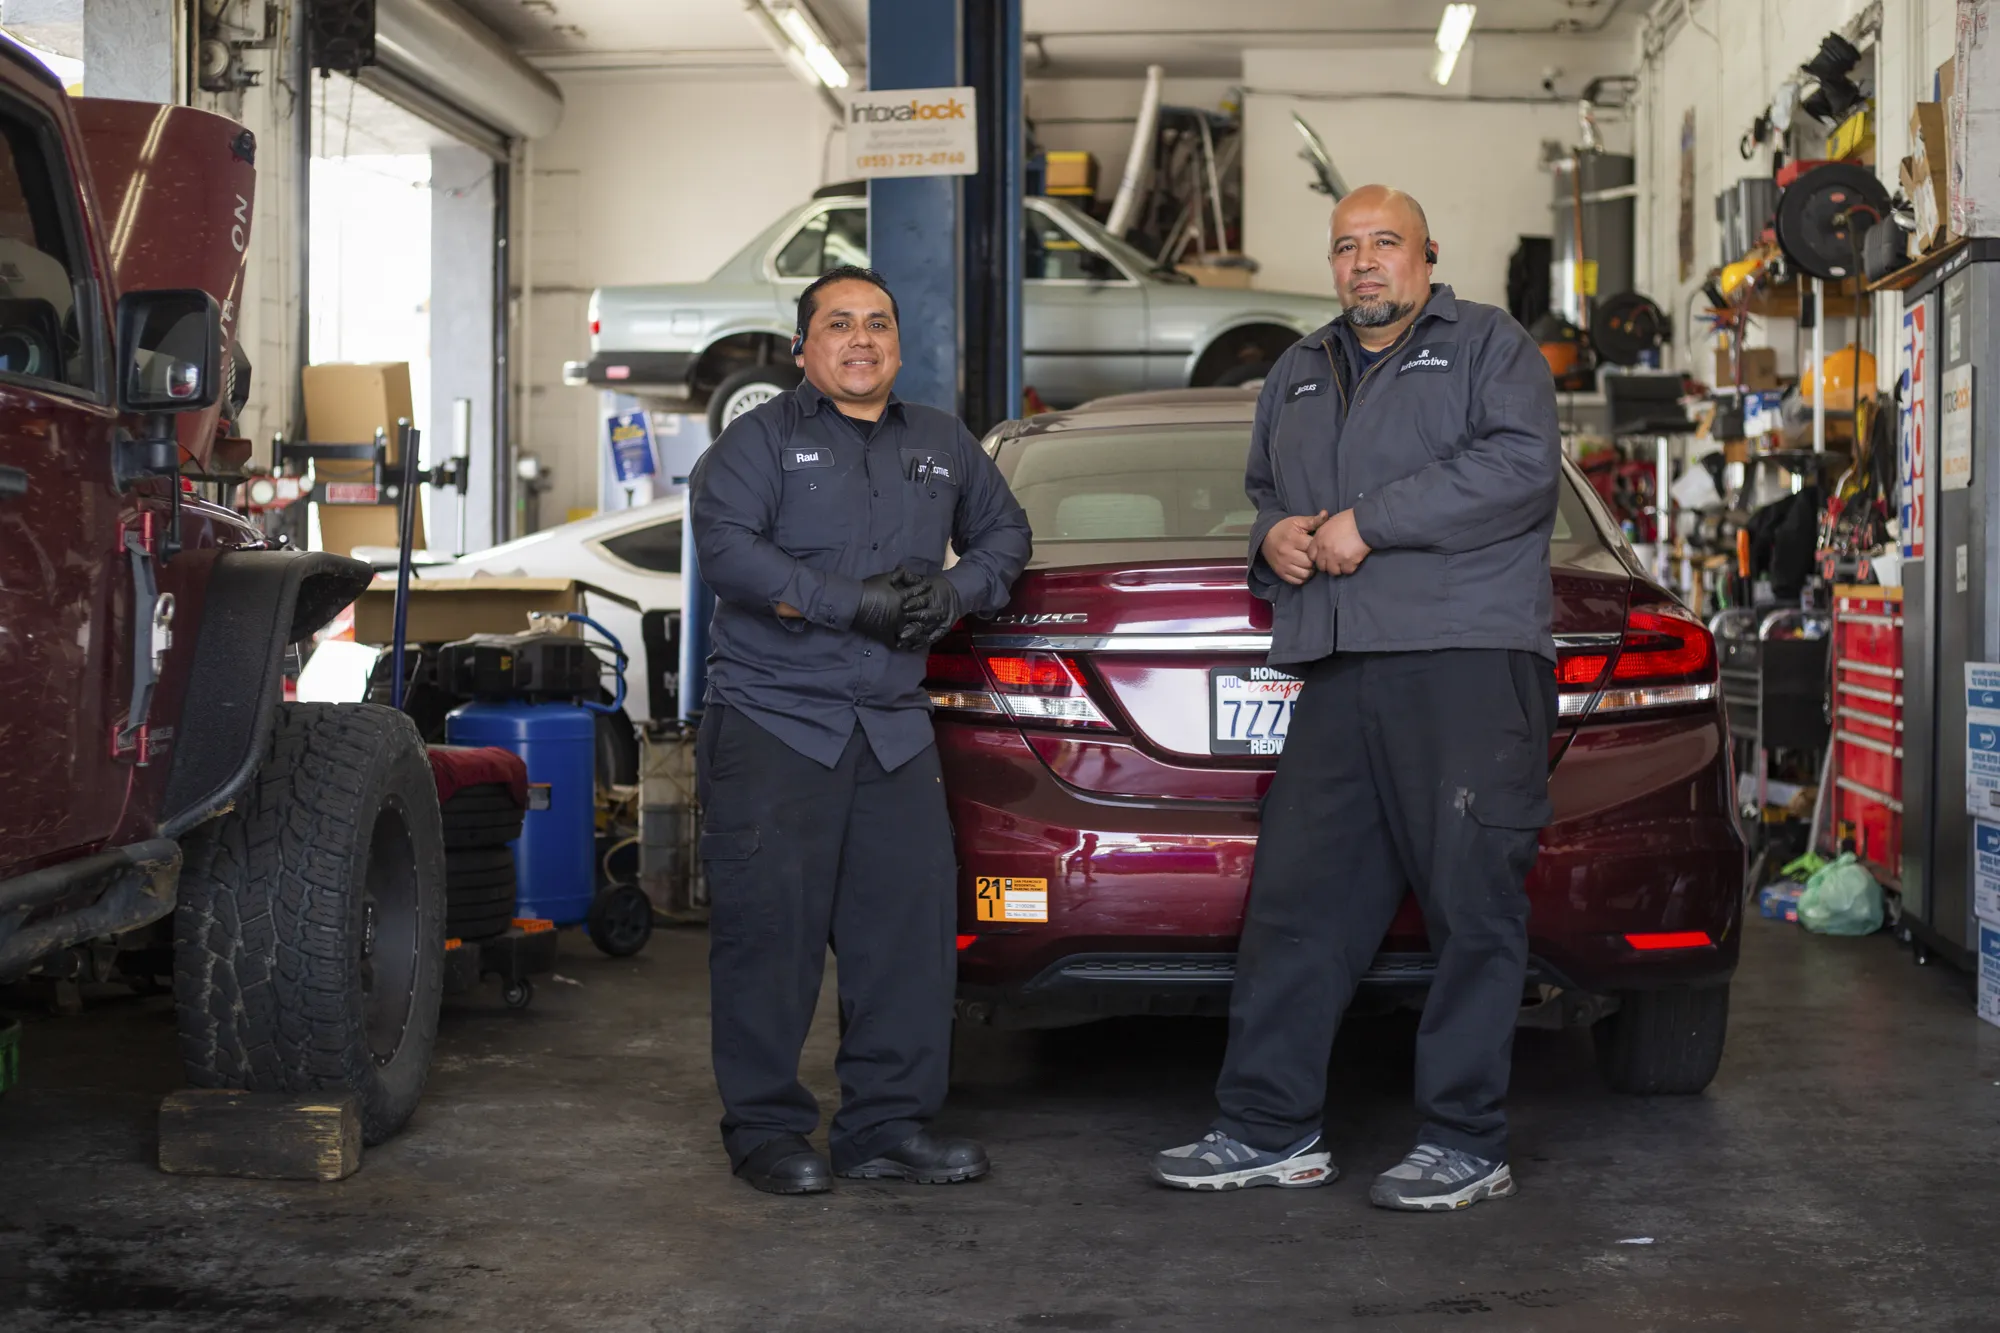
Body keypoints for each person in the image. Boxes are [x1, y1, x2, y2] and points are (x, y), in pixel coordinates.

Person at [1151, 186, 1562, 1210]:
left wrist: (1368, 521)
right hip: (1334, 666)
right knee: (1296, 907)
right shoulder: (1295, 369)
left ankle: (1465, 1140)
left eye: (1383, 243)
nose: (1362, 262)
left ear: (1426, 254)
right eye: (1344, 247)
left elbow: (1518, 468)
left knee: (1472, 905)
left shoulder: (1486, 345)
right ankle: (1267, 1125)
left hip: (1462, 659)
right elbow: (1260, 493)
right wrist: (1271, 538)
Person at [689, 265, 1032, 1195]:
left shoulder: (942, 443)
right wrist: (859, 605)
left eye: (877, 323)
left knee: (907, 939)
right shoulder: (756, 443)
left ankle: (884, 1126)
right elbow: (728, 551)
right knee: (771, 936)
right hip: (775, 722)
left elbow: (1007, 537)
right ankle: (764, 1130)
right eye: (838, 324)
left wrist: (951, 593)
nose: (861, 339)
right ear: (803, 346)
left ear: (897, 345)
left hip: (892, 731)